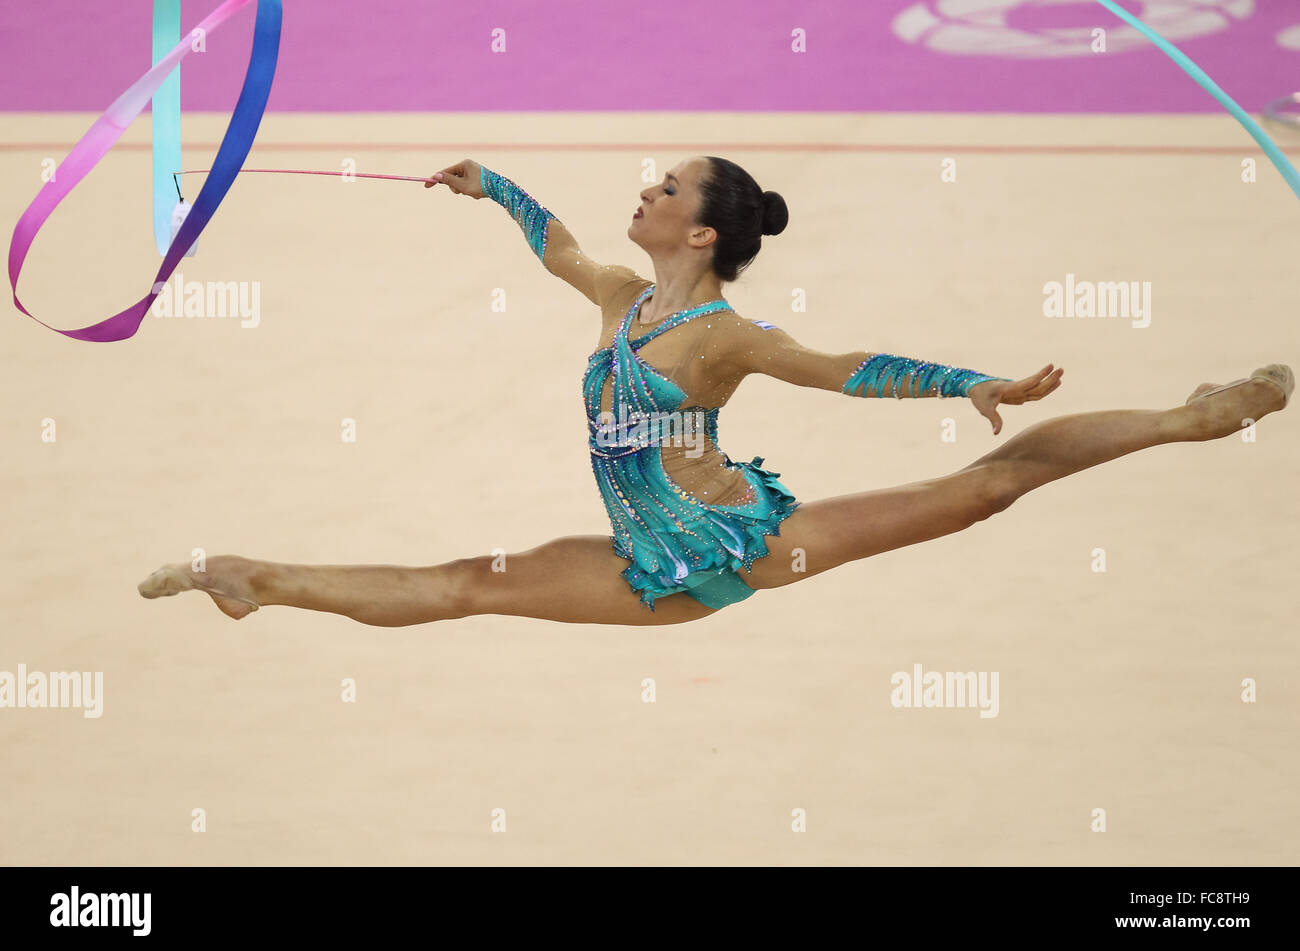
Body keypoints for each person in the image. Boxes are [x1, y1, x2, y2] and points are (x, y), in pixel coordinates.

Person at [139, 156, 1292, 627]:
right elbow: (558, 247)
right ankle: (252, 576)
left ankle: (1196, 413)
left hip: (741, 543)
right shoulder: (616, 297)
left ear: (700, 228)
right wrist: (493, 186)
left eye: (664, 187)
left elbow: (844, 368)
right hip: (644, 555)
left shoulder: (722, 333)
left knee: (987, 487)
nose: (641, 193)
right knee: (459, 587)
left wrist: (967, 379)